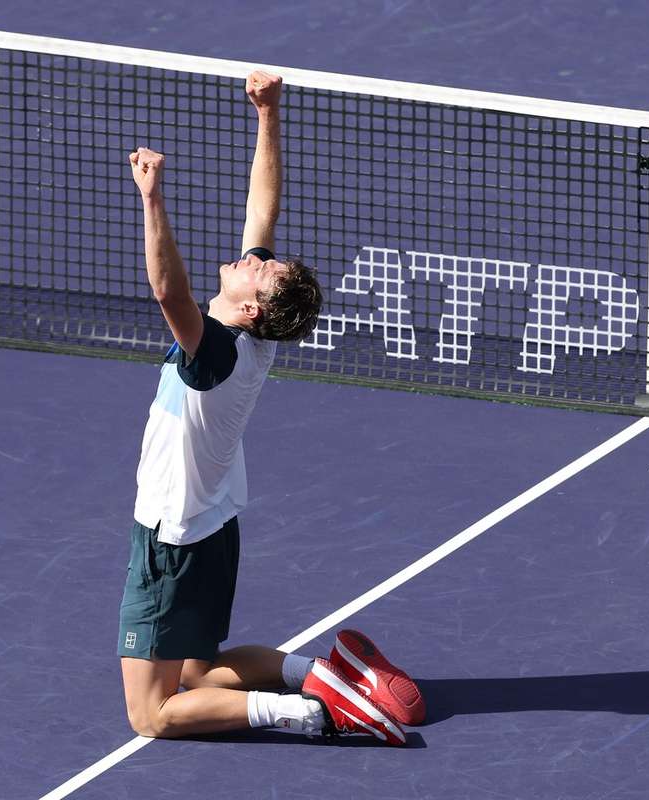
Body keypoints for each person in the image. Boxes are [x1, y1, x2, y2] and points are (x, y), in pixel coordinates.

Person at [119, 70, 425, 746]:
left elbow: (170, 292)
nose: (255, 258)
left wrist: (152, 198)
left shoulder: (217, 352)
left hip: (173, 539)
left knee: (153, 714)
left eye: (263, 268)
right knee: (199, 676)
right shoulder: (249, 338)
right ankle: (321, 672)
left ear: (253, 307)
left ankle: (305, 712)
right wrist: (268, 112)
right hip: (214, 527)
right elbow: (264, 209)